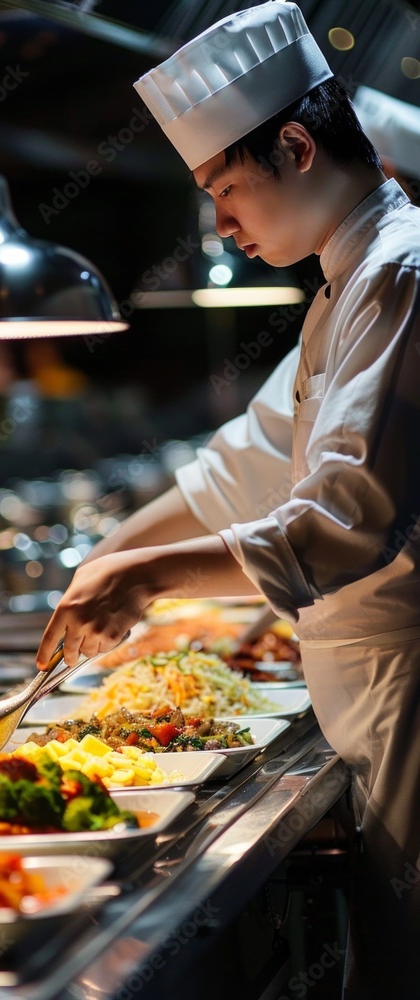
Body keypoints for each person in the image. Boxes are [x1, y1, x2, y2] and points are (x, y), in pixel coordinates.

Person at [37, 3, 420, 996]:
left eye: (223, 189)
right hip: (372, 706)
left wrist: (151, 574)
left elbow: (343, 517)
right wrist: (105, 559)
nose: (221, 223)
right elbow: (247, 461)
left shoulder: (401, 273)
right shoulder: (348, 280)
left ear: (293, 146)